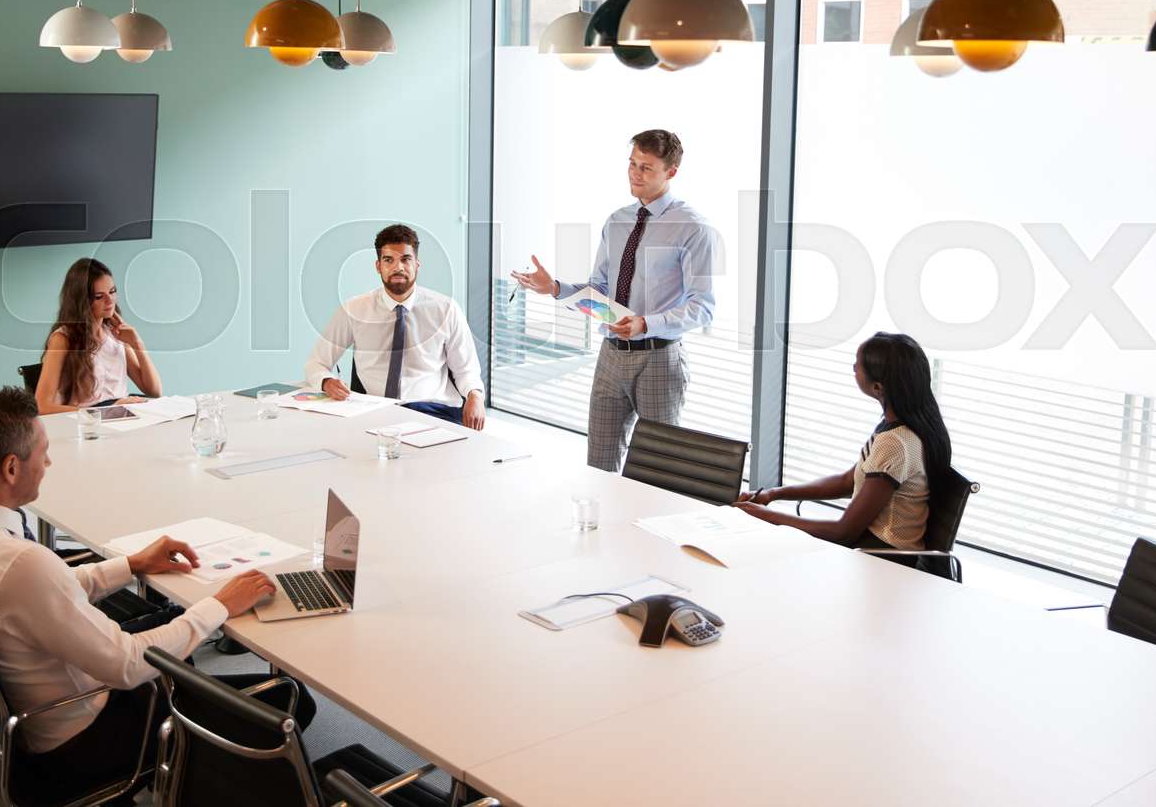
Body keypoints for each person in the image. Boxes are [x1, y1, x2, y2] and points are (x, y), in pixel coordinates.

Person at [0, 387, 313, 791]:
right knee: (291, 699)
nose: (48, 462)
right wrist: (220, 604)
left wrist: (132, 564)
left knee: (174, 624)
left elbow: (47, 589)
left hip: (20, 716)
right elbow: (128, 666)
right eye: (43, 452)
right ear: (12, 468)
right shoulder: (20, 565)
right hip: (79, 741)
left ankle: (181, 773)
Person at [511, 129, 718, 471]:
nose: (635, 173)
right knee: (598, 465)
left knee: (657, 469)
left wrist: (645, 323)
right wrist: (555, 288)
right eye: (632, 164)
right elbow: (600, 289)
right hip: (610, 356)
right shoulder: (618, 221)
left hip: (658, 359)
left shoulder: (692, 227)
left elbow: (703, 306)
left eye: (646, 167)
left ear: (671, 172)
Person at [734, 332, 951, 550]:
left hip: (880, 558)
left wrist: (767, 517)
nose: (854, 367)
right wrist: (774, 494)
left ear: (878, 387)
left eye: (858, 364)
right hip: (870, 548)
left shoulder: (896, 443)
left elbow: (843, 532)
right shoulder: (908, 426)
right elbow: (848, 481)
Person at [306, 224, 486, 429]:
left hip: (434, 412)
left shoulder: (446, 310)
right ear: (378, 266)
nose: (398, 267)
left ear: (417, 264)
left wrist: (475, 396)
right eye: (388, 260)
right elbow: (316, 364)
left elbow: (466, 370)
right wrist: (326, 382)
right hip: (375, 412)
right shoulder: (354, 310)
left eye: (406, 259)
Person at [35, 257, 162, 416]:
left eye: (112, 291)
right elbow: (42, 406)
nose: (110, 301)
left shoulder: (116, 334)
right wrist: (107, 410)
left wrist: (137, 343)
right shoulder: (63, 339)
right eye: (99, 296)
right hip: (86, 423)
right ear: (82, 301)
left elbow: (154, 391)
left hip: (120, 419)